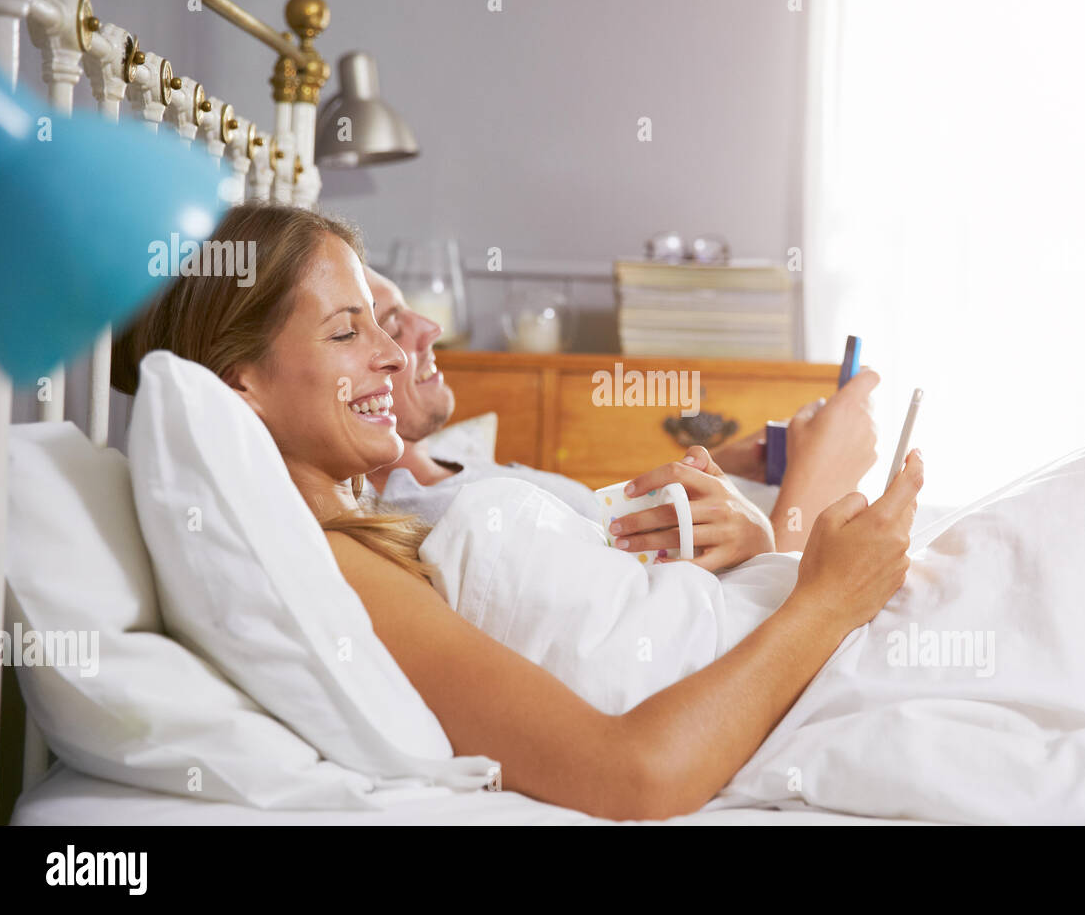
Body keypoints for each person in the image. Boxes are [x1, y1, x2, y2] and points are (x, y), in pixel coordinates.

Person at [112, 202, 923, 821]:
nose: (394, 356)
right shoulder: (330, 570)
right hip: (834, 656)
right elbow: (633, 773)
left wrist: (754, 547)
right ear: (240, 380)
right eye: (348, 331)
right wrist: (825, 601)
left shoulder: (379, 533)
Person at [361, 266, 883, 570]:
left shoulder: (454, 462)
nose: (429, 327)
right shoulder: (438, 515)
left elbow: (604, 536)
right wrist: (803, 503)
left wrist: (709, 471)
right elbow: (751, 637)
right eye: (391, 323)